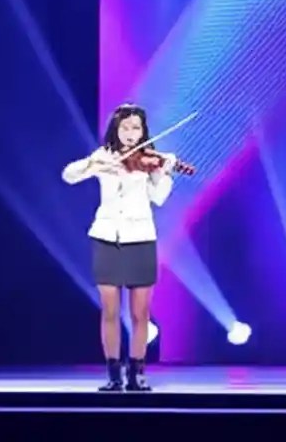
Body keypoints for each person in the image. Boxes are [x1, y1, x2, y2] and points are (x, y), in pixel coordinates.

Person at [62, 103, 184, 392]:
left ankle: (137, 372)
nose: (131, 133)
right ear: (116, 129)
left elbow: (159, 198)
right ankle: (113, 373)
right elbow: (68, 175)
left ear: (143, 131)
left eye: (136, 128)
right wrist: (94, 165)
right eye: (126, 127)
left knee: (141, 313)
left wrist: (165, 172)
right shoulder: (103, 155)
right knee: (109, 311)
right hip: (107, 236)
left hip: (140, 238)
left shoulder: (148, 159)